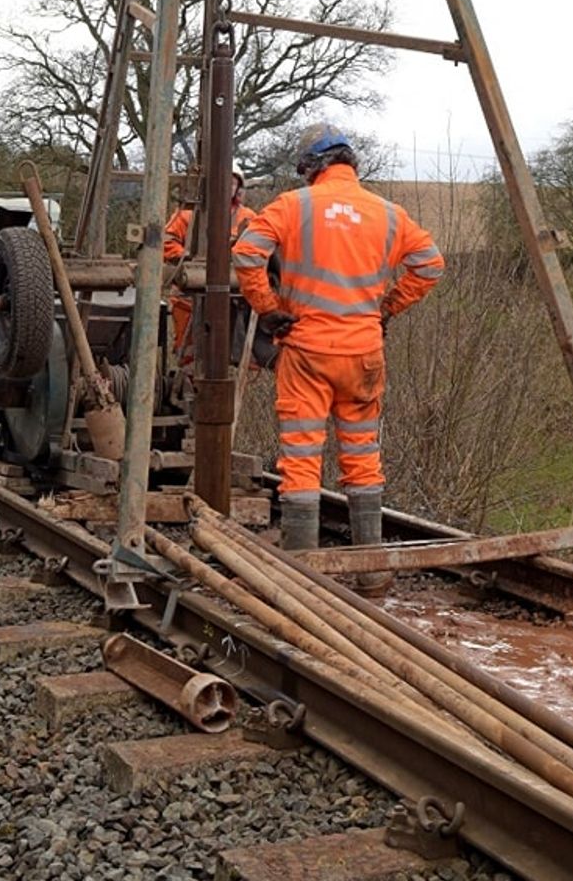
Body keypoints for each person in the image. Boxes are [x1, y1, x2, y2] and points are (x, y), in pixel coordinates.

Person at [231, 125, 444, 573]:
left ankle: (305, 573)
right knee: (363, 457)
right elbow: (430, 265)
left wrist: (267, 309)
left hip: (306, 352)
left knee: (302, 457)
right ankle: (370, 575)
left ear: (310, 168)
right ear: (352, 164)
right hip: (364, 354)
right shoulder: (389, 214)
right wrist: (386, 309)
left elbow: (248, 254)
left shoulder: (291, 205)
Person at [164, 161, 252, 365]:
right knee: (190, 354)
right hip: (189, 297)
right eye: (223, 182)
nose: (227, 186)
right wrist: (186, 258)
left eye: (232, 182)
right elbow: (166, 241)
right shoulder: (187, 215)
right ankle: (187, 383)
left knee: (225, 353)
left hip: (232, 296)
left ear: (238, 187)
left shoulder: (248, 218)